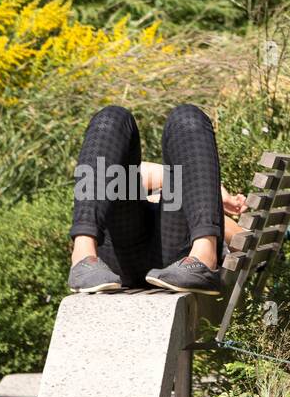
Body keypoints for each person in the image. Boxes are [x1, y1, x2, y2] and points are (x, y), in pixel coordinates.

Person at [67, 103, 248, 295]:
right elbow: (123, 171)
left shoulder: (203, 207)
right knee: (112, 117)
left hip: (178, 253)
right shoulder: (160, 183)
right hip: (123, 248)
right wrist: (193, 182)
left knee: (187, 116)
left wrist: (208, 197)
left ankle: (204, 259)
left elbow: (237, 235)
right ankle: (83, 256)